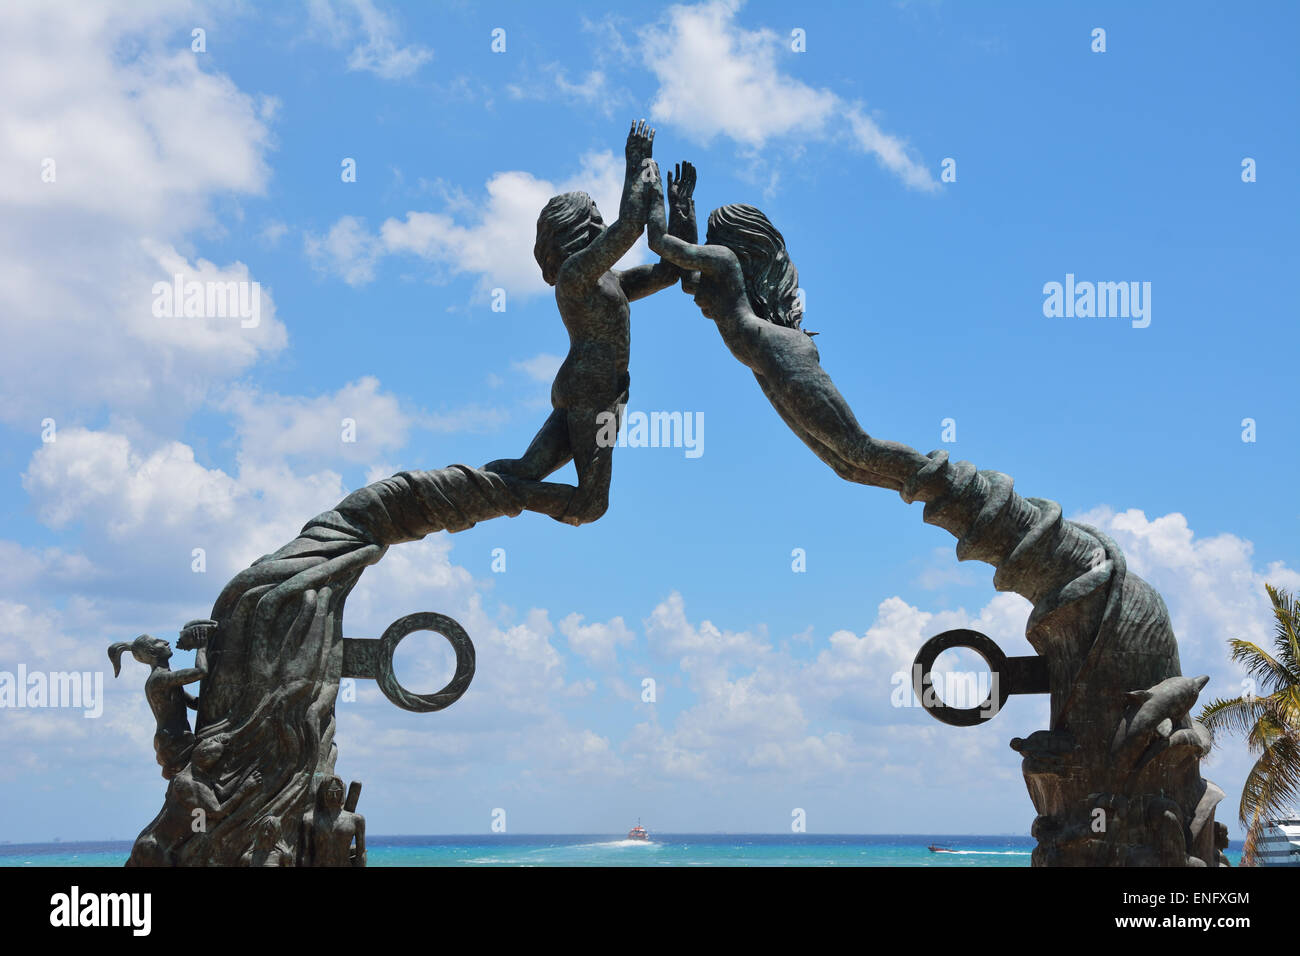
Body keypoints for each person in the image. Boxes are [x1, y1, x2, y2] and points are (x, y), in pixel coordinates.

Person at [645, 167, 919, 492]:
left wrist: (650, 188)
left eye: (709, 230)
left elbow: (661, 243)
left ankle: (945, 479)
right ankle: (923, 490)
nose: (706, 239)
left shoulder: (723, 258)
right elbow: (688, 279)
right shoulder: (720, 275)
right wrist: (683, 210)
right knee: (843, 465)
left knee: (856, 445)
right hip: (764, 362)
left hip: (779, 352)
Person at [484, 120, 698, 525]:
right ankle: (489, 493)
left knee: (529, 469)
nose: (602, 220)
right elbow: (630, 226)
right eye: (595, 214)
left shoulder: (608, 281)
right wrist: (636, 164)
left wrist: (680, 209)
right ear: (576, 226)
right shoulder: (575, 275)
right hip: (589, 392)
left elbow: (667, 273)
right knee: (590, 504)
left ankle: (471, 488)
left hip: (600, 392)